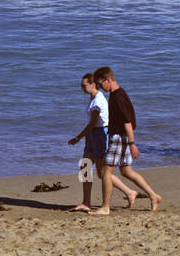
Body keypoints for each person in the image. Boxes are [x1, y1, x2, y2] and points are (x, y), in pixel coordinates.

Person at [91, 66, 162, 213]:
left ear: (108, 80)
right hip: (121, 137)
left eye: (100, 83)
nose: (100, 87)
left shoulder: (117, 96)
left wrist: (132, 144)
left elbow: (127, 122)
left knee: (106, 172)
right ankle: (153, 196)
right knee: (126, 171)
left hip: (119, 138)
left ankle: (105, 207)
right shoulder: (119, 93)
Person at [68, 73, 135, 211]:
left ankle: (129, 192)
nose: (81, 88)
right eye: (81, 85)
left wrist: (78, 137)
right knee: (85, 166)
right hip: (92, 135)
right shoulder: (92, 98)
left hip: (99, 134)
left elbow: (93, 123)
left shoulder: (98, 100)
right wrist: (87, 137)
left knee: (102, 173)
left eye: (84, 85)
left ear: (93, 85)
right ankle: (86, 202)